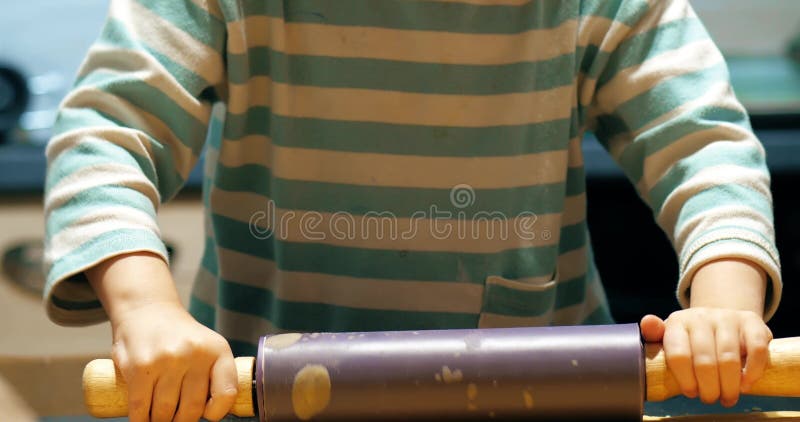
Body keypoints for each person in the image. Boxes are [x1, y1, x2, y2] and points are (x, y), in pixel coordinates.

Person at [43, 0, 781, 421]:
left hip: (547, 399)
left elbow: (703, 148)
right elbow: (107, 134)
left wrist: (723, 301)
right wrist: (145, 309)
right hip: (261, 397)